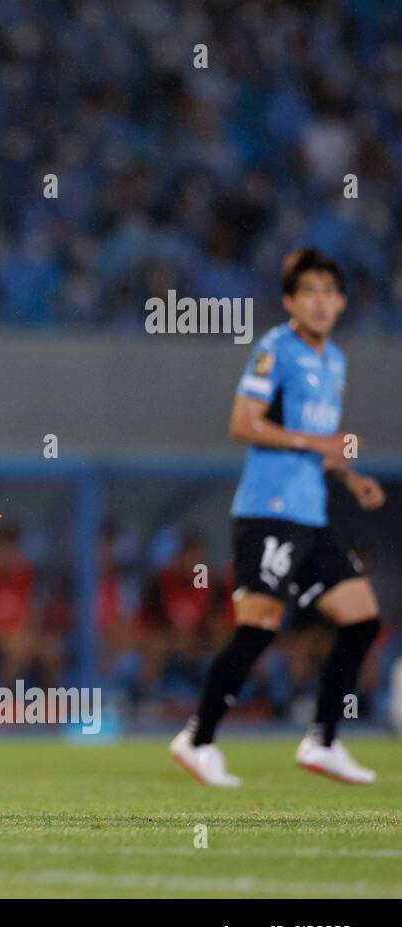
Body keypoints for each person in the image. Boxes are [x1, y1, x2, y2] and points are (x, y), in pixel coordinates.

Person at [171, 248, 386, 786]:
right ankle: (197, 740)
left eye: (328, 291)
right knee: (259, 627)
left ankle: (323, 741)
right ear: (290, 301)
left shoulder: (334, 360)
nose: (319, 301)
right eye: (307, 291)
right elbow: (243, 423)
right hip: (269, 512)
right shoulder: (275, 349)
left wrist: (348, 475)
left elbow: (320, 445)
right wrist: (317, 441)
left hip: (310, 516)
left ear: (340, 302)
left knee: (362, 619)